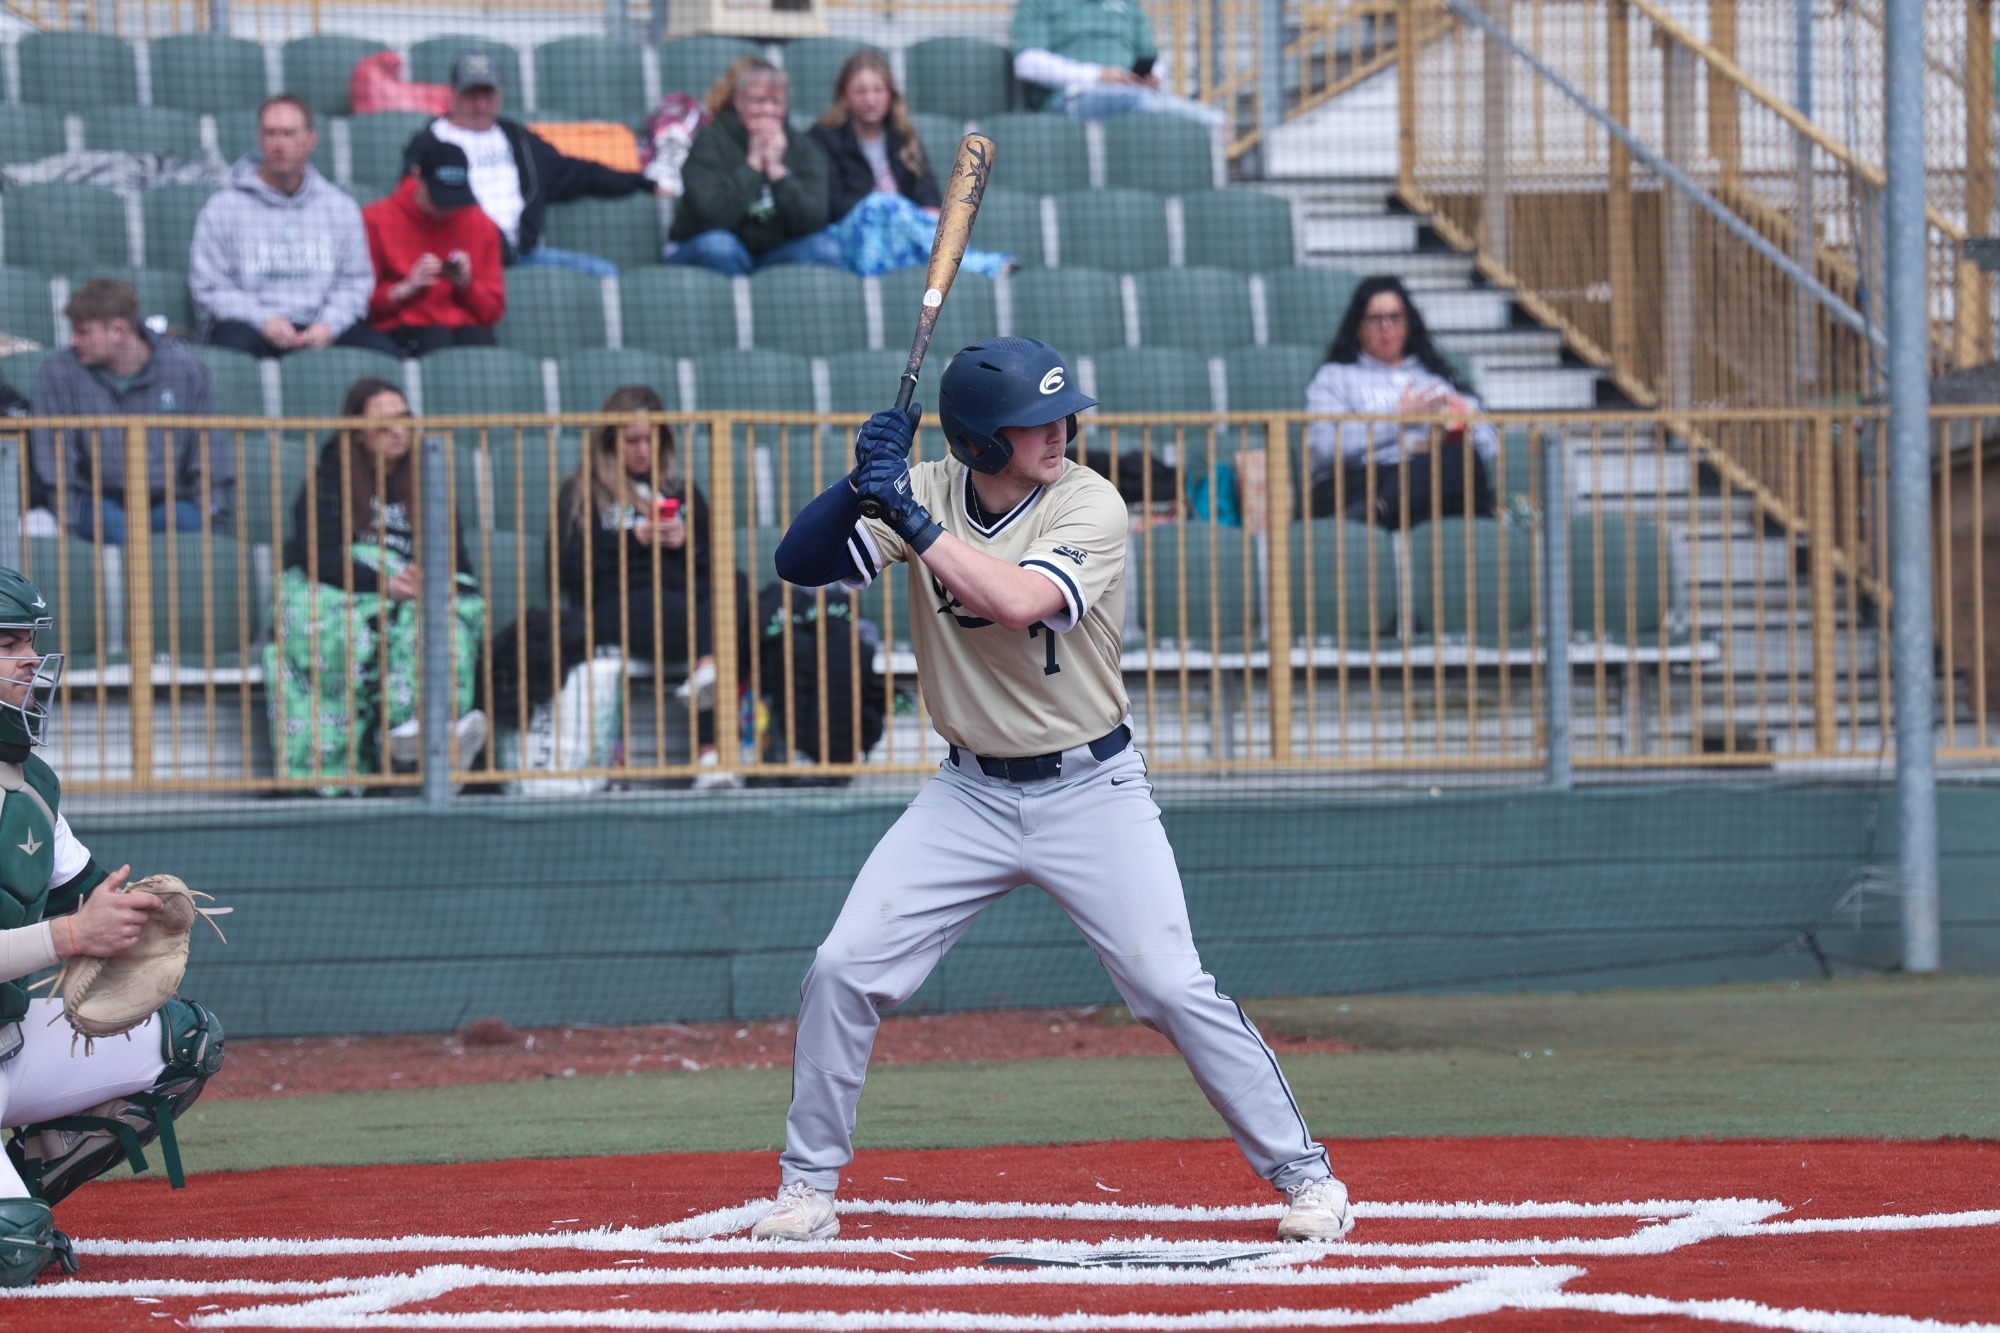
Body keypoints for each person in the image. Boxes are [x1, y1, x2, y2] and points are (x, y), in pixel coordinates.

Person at [753, 336, 1353, 1244]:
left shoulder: (1089, 500)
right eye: (1034, 423)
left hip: (1092, 787)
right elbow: (798, 563)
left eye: (1063, 414)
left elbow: (1018, 601)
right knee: (842, 970)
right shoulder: (928, 489)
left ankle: (1307, 1176)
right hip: (968, 796)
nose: (1060, 431)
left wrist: (908, 519)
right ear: (981, 444)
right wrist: (857, 482)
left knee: (1170, 987)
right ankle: (807, 1186)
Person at [0, 565, 225, 1286]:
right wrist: (69, 938)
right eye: (8, 643)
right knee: (15, 1252)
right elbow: (72, 928)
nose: (31, 659)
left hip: (5, 1045)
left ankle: (19, 1184)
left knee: (186, 1037)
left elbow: (87, 890)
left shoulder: (28, 782)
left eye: (29, 640)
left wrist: (142, 911)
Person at [264, 378, 486, 791]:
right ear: (358, 432)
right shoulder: (329, 483)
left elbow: (456, 559)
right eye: (385, 423)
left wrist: (426, 580)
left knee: (443, 623)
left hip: (414, 594)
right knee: (364, 631)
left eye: (404, 420)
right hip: (353, 593)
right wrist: (383, 584)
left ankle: (429, 730)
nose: (398, 431)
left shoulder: (429, 483)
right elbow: (320, 556)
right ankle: (409, 733)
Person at [555, 386, 743, 789]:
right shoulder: (582, 492)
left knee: (732, 587)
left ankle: (708, 699)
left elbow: (715, 561)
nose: (643, 449)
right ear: (610, 443)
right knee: (694, 618)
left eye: (651, 439)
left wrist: (687, 541)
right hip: (621, 603)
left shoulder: (682, 490)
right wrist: (634, 539)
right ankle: (710, 747)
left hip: (686, 603)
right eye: (632, 440)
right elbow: (569, 568)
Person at [401, 52, 666, 278]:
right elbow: (410, 203)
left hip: (522, 257)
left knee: (604, 272)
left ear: (500, 95)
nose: (480, 103)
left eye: (487, 93)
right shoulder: (431, 142)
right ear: (454, 94)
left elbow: (576, 172)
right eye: (472, 94)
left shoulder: (518, 139)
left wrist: (643, 182)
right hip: (461, 263)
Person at [190, 95, 401, 359]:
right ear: (260, 138)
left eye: (289, 134)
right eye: (270, 133)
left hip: (322, 326)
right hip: (253, 327)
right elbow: (209, 287)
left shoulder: (340, 207)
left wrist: (329, 325)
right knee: (230, 345)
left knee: (385, 353)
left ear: (311, 140)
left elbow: (356, 282)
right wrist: (263, 320)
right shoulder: (223, 208)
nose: (279, 144)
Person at [28, 279, 231, 545]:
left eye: (83, 332)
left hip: (170, 501)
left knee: (189, 525)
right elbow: (53, 461)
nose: (74, 341)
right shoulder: (58, 374)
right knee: (122, 535)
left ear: (119, 330)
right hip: (95, 501)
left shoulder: (187, 372)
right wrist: (70, 515)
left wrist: (209, 510)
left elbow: (208, 453)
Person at [1305, 275, 1497, 527]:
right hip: (1359, 481)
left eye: (1396, 317)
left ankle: (1376, 509)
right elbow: (1324, 448)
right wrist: (1397, 418)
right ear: (1358, 326)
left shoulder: (1437, 375)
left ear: (1409, 323)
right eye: (1375, 319)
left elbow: (1490, 447)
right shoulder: (1334, 376)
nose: (1386, 327)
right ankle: (1380, 506)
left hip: (1428, 481)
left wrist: (1466, 416)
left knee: (1463, 462)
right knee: (1471, 496)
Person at [809, 52, 1015, 280]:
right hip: (850, 228)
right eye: (861, 91)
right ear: (844, 95)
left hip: (904, 226)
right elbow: (834, 203)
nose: (871, 99)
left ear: (890, 94)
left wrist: (923, 212)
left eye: (878, 90)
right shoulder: (823, 138)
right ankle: (979, 266)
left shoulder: (903, 135)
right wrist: (893, 209)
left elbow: (927, 191)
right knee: (880, 205)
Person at [664, 59, 841, 276]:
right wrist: (754, 164)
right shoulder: (710, 141)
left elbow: (813, 220)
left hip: (774, 254)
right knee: (720, 247)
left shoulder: (804, 148)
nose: (767, 110)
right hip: (709, 248)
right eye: (759, 101)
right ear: (739, 101)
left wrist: (777, 171)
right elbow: (714, 219)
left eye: (776, 103)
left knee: (825, 250)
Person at [362, 141, 506, 359]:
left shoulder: (482, 225)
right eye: (440, 198)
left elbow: (492, 312)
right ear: (418, 176)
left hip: (466, 331)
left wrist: (467, 286)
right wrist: (406, 288)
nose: (447, 208)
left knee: (481, 347)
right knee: (436, 341)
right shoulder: (376, 219)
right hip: (406, 330)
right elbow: (362, 306)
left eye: (453, 199)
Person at [1011, 0, 1225, 127]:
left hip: (1135, 92)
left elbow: (1154, 60)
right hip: (1072, 98)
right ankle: (1206, 121)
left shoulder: (1128, 4)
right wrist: (1099, 75)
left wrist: (1153, 78)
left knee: (1217, 122)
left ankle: (1211, 122)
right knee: (1138, 103)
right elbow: (1027, 62)